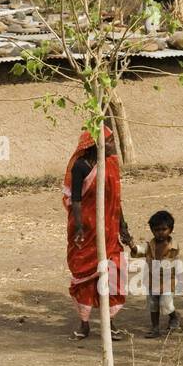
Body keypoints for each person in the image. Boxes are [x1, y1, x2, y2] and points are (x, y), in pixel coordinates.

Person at [64, 126, 133, 340]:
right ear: (98, 145)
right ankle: (84, 323)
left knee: (113, 269)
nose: (114, 145)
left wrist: (123, 225)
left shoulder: (110, 165)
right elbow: (76, 199)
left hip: (109, 227)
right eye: (110, 141)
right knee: (86, 274)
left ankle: (109, 322)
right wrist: (79, 227)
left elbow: (115, 198)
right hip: (87, 228)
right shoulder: (81, 167)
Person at [129, 210, 181, 338]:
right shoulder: (150, 245)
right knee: (153, 305)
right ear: (152, 230)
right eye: (157, 230)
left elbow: (173, 265)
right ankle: (155, 328)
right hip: (152, 281)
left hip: (167, 282)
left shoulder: (174, 247)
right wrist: (130, 244)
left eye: (164, 229)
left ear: (170, 229)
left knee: (166, 304)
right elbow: (138, 251)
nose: (160, 233)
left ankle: (174, 316)